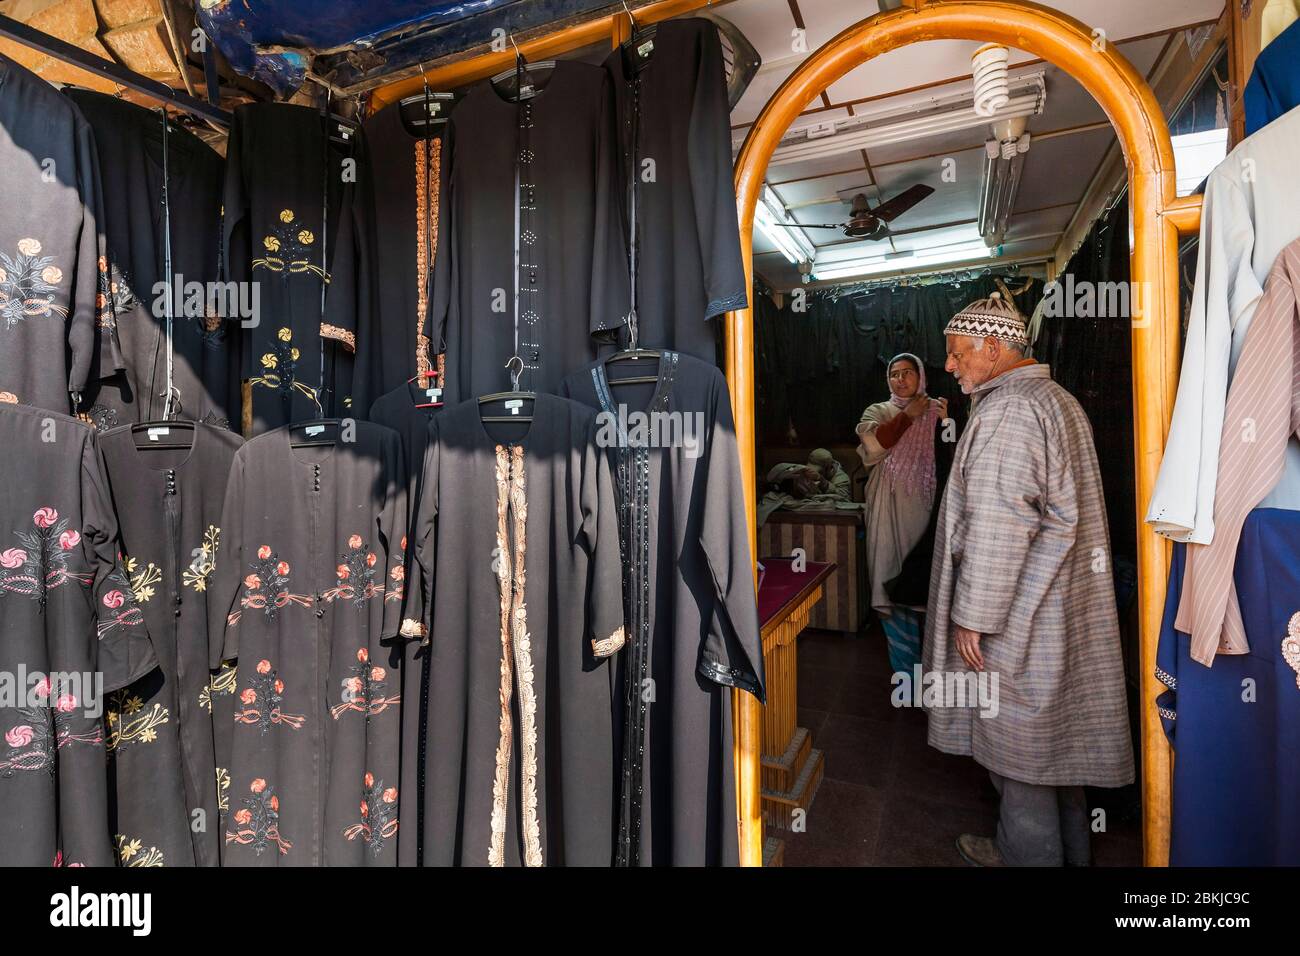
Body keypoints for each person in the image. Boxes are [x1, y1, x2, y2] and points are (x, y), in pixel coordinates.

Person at [923, 292, 1133, 867]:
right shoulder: (1053, 397)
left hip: (1020, 614)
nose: (949, 365)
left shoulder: (1008, 410)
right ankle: (1068, 854)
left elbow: (1000, 522)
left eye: (957, 352)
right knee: (1053, 749)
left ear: (992, 348)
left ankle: (1025, 856)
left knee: (1019, 757)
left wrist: (975, 616)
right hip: (1055, 605)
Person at [856, 353, 946, 676]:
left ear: (920, 375)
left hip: (927, 511)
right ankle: (908, 676)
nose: (900, 379)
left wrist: (945, 421)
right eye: (894, 373)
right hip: (888, 512)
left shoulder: (938, 409)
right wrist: (908, 416)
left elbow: (951, 449)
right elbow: (873, 446)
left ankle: (933, 673)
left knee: (925, 585)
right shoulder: (878, 411)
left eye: (908, 372)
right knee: (889, 576)